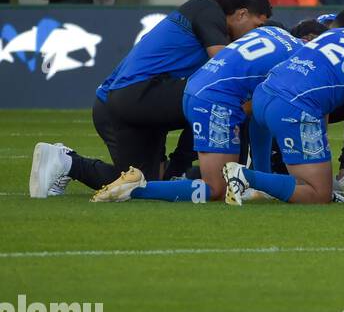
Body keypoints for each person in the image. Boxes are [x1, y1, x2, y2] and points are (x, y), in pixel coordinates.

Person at [31, 0, 272, 198]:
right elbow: (224, 67)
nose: (256, 34)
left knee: (142, 185)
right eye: (258, 26)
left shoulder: (209, 28)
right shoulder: (206, 8)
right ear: (241, 14)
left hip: (119, 104)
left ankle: (67, 162)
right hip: (133, 96)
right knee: (215, 98)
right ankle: (197, 174)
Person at [90, 25, 302, 203]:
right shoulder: (298, 60)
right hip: (217, 100)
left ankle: (152, 183)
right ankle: (137, 188)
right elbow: (258, 119)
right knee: (216, 188)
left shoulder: (272, 32)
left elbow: (255, 112)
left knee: (217, 180)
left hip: (193, 88)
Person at [223, 18, 344, 205]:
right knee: (318, 193)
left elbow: (325, 67)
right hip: (293, 105)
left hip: (263, 94)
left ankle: (263, 184)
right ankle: (245, 176)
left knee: (314, 176)